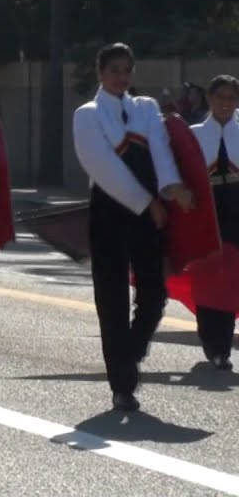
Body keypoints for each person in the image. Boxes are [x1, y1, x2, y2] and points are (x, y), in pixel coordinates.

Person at [73, 42, 191, 411]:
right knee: (112, 301)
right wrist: (147, 203)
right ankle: (122, 385)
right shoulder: (87, 114)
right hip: (110, 211)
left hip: (151, 211)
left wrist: (172, 189)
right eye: (114, 70)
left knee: (155, 293)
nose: (121, 77)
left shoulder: (145, 108)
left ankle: (129, 352)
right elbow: (103, 167)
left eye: (126, 70)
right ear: (100, 72)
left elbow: (161, 152)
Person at [188, 74, 239, 371]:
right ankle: (210, 339)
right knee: (205, 279)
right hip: (202, 216)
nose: (226, 103)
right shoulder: (193, 134)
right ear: (209, 99)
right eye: (220, 97)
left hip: (235, 216)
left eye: (232, 98)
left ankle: (222, 346)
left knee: (230, 280)